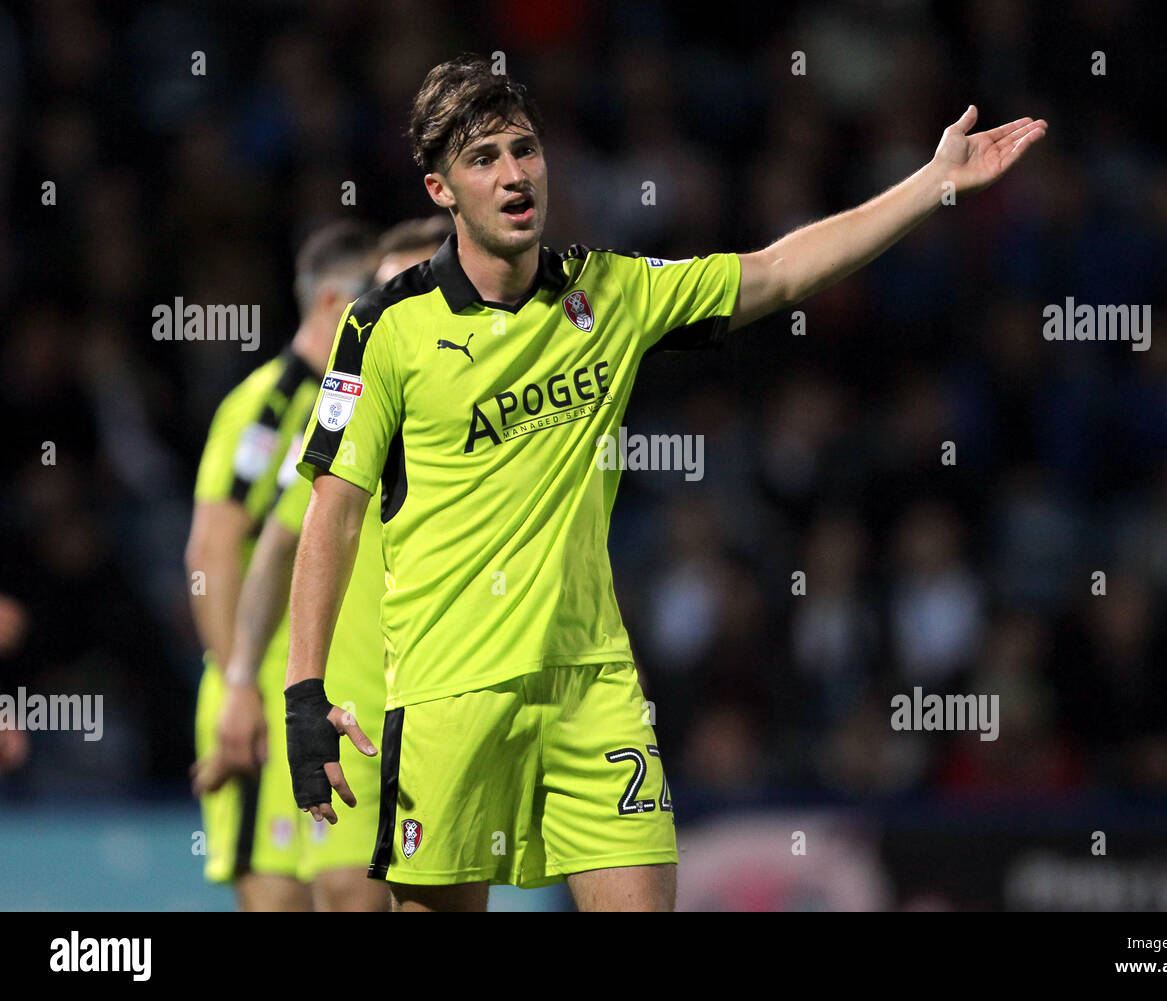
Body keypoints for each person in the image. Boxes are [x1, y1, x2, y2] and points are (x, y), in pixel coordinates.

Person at [284, 53, 1046, 912]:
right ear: (441, 192)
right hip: (447, 696)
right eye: (483, 159)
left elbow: (776, 271)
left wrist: (933, 183)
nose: (513, 175)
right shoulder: (384, 328)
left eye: (524, 149)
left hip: (593, 688)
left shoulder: (607, 292)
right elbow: (334, 515)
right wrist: (303, 693)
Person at [218, 217, 450, 912]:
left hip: (448, 702)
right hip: (349, 708)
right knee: (351, 892)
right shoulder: (341, 410)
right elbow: (260, 549)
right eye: (385, 294)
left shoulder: (477, 414)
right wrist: (242, 681)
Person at [187, 220, 377, 911]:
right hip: (262, 701)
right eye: (374, 296)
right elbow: (211, 549)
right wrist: (238, 682)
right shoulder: (269, 408)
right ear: (333, 304)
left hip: (321, 693)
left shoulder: (360, 400)